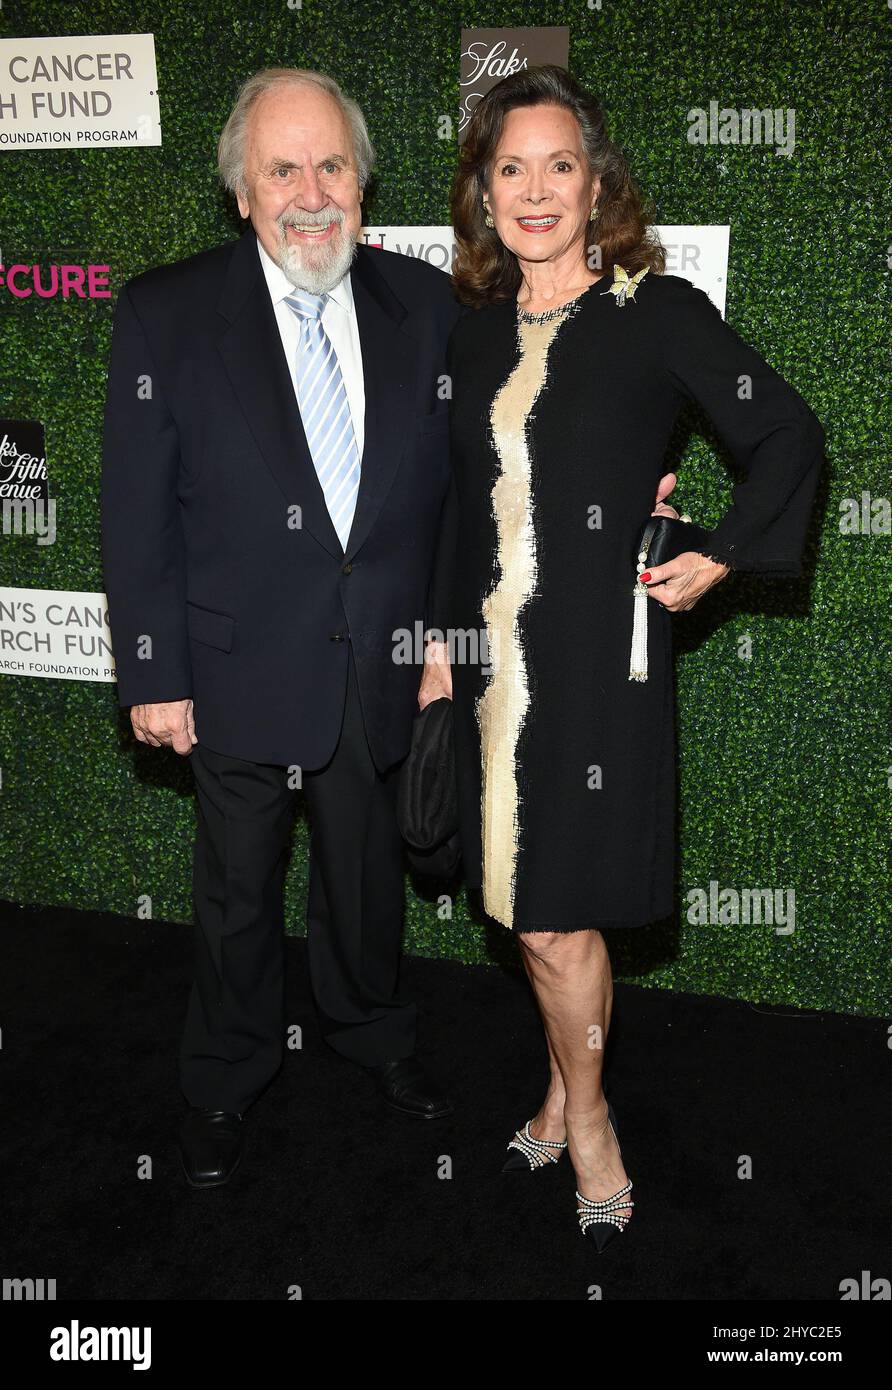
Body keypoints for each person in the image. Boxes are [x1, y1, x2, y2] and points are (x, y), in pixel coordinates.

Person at [420, 64, 824, 1249]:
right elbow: (455, 510)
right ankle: (557, 1087)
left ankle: (589, 1123)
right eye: (511, 169)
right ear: (483, 196)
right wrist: (440, 655)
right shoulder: (472, 331)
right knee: (522, 908)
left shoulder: (658, 310)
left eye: (560, 165)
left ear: (597, 185)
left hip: (597, 669)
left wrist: (722, 552)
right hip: (488, 665)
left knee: (554, 917)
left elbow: (785, 429)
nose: (535, 190)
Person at [101, 67, 463, 1189]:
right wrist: (153, 670)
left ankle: (372, 1033)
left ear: (361, 178)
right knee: (236, 893)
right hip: (232, 663)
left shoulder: (428, 307)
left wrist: (440, 648)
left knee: (364, 880)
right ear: (243, 193)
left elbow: (458, 499)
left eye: (332, 165)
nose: (312, 194)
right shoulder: (168, 309)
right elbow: (135, 512)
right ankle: (224, 1075)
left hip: (382, 661)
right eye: (282, 170)